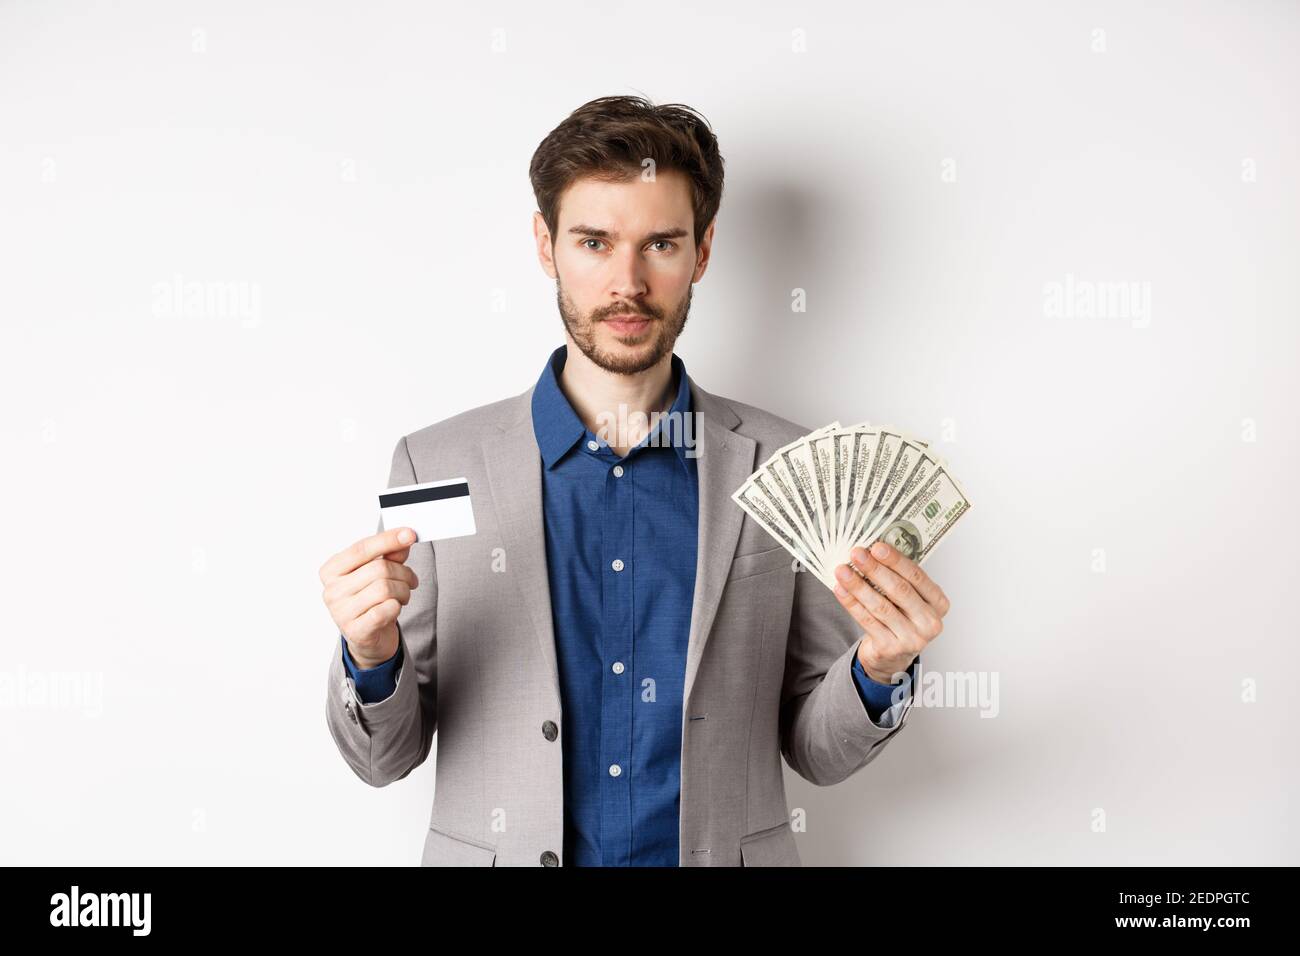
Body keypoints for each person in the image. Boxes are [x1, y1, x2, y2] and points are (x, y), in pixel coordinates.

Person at [319, 95, 951, 866]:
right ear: (546, 246)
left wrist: (879, 670)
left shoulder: (790, 468)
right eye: (593, 241)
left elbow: (817, 753)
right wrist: (370, 653)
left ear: (703, 251)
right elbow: (384, 759)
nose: (627, 281)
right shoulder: (436, 465)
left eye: (660, 243)